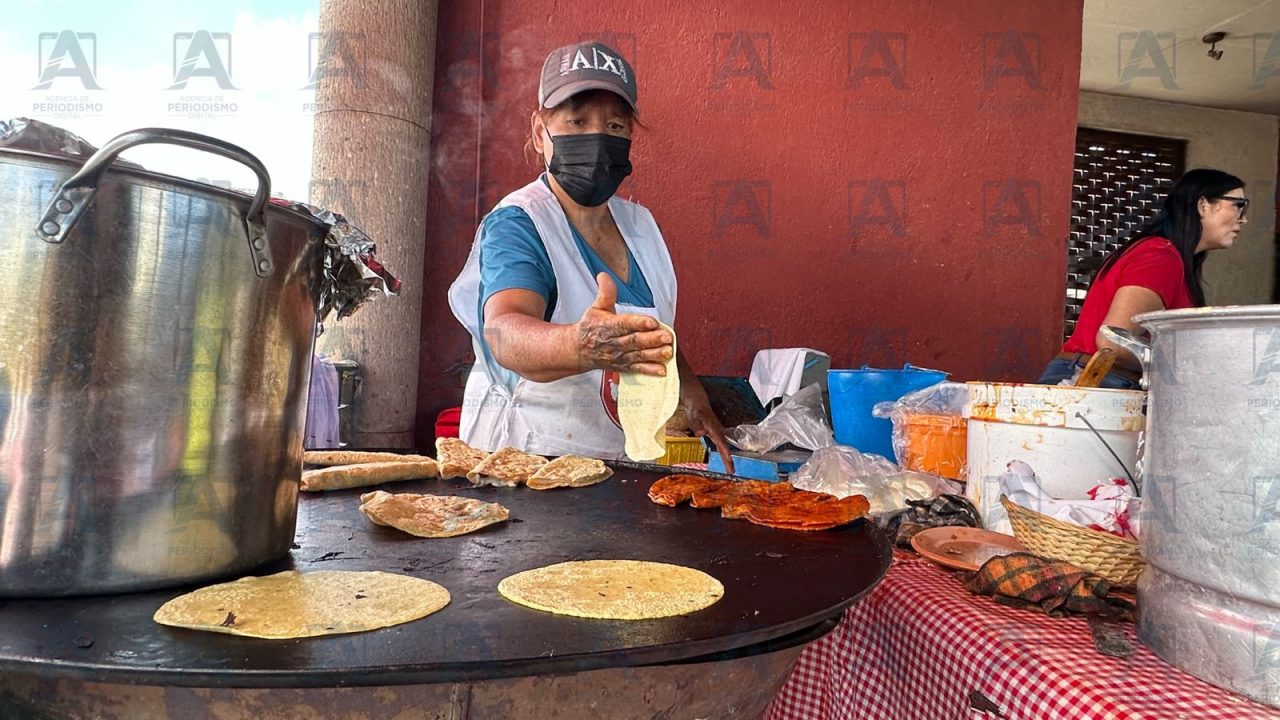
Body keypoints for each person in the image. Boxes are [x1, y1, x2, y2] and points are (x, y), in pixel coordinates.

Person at [448, 40, 733, 470]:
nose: (597, 140)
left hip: (617, 475)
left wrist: (691, 395)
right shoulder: (520, 222)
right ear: (540, 132)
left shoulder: (641, 227)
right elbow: (504, 332)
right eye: (577, 122)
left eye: (615, 127)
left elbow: (649, 333)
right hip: (525, 468)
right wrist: (579, 346)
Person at [1038, 168, 1248, 388]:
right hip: (1096, 384)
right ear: (1203, 206)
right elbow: (1113, 342)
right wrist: (1187, 366)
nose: (1243, 220)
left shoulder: (1170, 257)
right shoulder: (1160, 257)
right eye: (1238, 206)